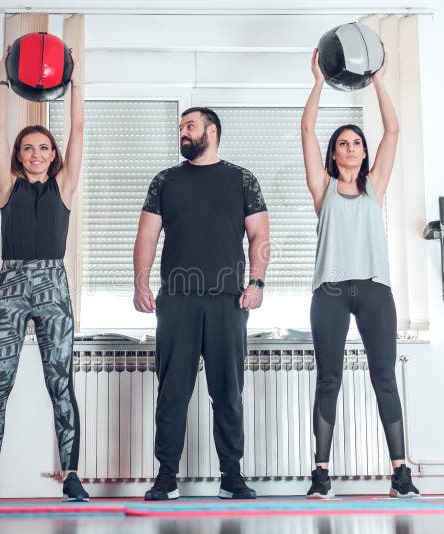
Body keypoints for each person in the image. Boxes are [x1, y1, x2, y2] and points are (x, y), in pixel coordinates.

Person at [0, 47, 88, 503]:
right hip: (12, 287)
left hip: (53, 287)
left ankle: (72, 475)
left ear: (53, 154)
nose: (36, 153)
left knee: (61, 383)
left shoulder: (64, 186)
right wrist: (2, 80)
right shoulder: (7, 185)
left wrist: (75, 82)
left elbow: (76, 127)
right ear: (18, 155)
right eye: (28, 147)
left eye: (43, 147)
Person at [133, 107, 270, 501]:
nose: (183, 133)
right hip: (176, 301)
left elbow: (259, 234)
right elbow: (147, 236)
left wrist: (257, 282)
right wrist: (141, 283)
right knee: (172, 391)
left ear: (211, 130)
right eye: (180, 128)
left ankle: (231, 476)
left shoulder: (242, 179)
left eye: (189, 126)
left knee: (227, 392)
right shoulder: (165, 181)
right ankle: (166, 477)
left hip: (229, 300)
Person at [300, 49, 419, 499]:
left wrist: (379, 82)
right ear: (334, 154)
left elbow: (393, 129)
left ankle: (401, 473)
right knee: (329, 377)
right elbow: (307, 129)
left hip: (374, 289)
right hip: (329, 290)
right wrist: (317, 80)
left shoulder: (377, 185)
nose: (351, 148)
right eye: (343, 143)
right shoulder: (323, 187)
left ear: (365, 152)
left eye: (357, 142)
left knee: (383, 377)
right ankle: (321, 473)